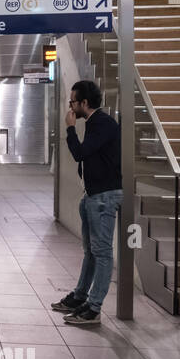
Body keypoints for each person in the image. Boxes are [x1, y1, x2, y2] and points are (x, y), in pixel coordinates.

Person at [53, 80, 122, 326]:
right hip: (93, 195)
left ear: (84, 103)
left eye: (72, 101)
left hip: (104, 197)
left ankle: (93, 308)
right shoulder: (95, 124)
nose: (70, 107)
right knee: (91, 252)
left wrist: (70, 129)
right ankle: (81, 296)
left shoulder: (102, 124)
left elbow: (80, 153)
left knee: (102, 253)